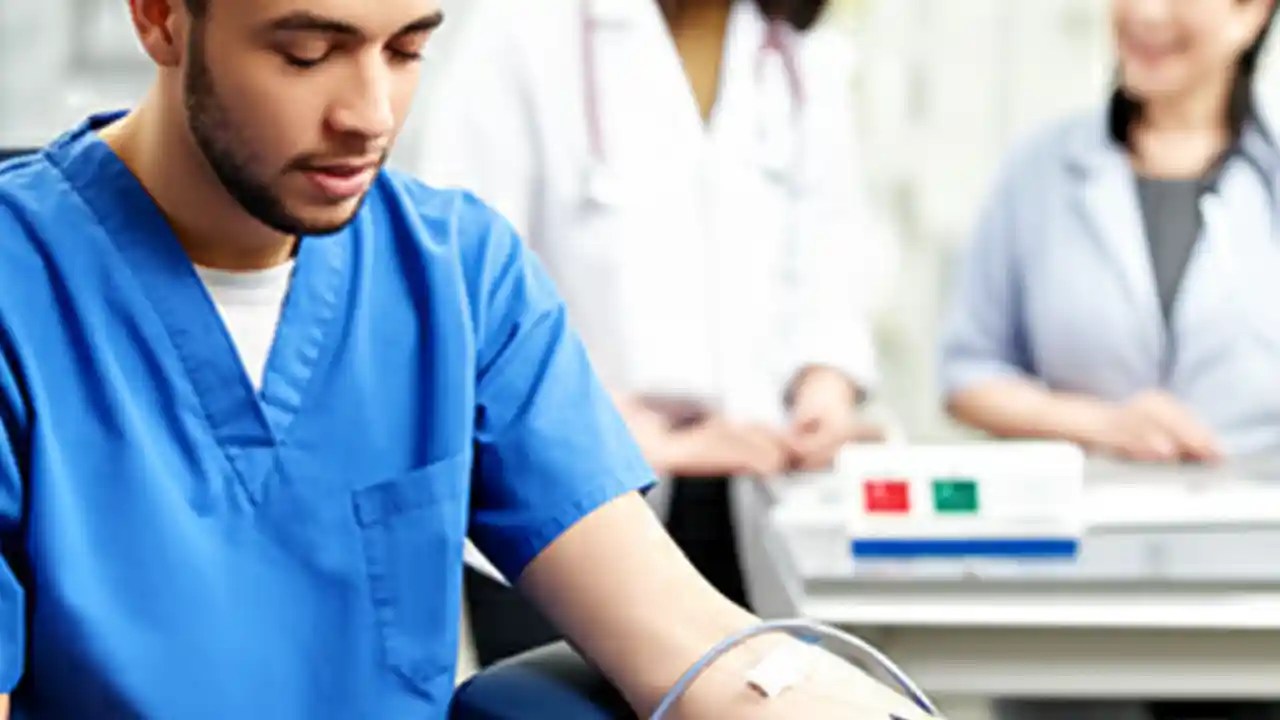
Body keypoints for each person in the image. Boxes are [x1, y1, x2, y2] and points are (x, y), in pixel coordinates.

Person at [0, 1, 942, 718]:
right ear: (161, 17)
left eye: (407, 48)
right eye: (306, 53)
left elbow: (693, 644)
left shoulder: (455, 276)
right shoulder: (21, 286)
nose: (369, 114)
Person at [411, 0, 895, 665]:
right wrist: (627, 434)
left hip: (746, 486)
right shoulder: (521, 31)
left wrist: (825, 380)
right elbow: (461, 272)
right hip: (559, 488)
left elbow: (835, 243)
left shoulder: (798, 48)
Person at [941, 0, 1280, 718]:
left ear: (1250, 14)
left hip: (1256, 599)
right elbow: (969, 371)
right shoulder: (1040, 170)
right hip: (1069, 589)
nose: (1146, 13)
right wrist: (1102, 424)